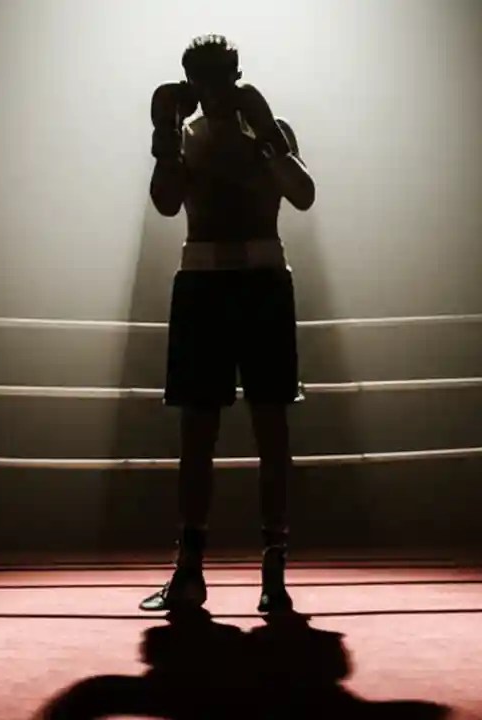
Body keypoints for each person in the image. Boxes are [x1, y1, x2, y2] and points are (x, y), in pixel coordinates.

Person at [139, 34, 316, 614]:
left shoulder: (272, 130)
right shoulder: (185, 137)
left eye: (222, 78)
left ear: (237, 76)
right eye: (203, 80)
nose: (214, 91)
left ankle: (274, 574)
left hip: (260, 281)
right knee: (198, 431)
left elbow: (304, 193)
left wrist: (266, 137)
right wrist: (164, 135)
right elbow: (166, 203)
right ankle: (191, 570)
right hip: (206, 282)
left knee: (271, 429)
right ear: (190, 81)